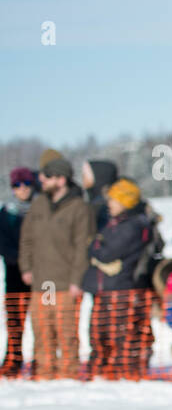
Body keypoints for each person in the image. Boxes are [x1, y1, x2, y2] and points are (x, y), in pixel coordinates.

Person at [18, 157, 95, 379]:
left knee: (66, 332)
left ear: (61, 180)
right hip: (42, 281)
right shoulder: (39, 204)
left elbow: (83, 246)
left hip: (64, 283)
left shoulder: (79, 207)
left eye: (48, 176)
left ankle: (68, 376)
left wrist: (76, 280)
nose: (42, 180)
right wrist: (26, 267)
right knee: (42, 332)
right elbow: (27, 239)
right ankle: (44, 374)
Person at [80, 179, 155, 380]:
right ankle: (101, 372)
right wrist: (96, 246)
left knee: (122, 335)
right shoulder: (115, 223)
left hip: (122, 288)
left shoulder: (133, 225)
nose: (109, 204)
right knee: (98, 334)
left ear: (125, 202)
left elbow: (105, 253)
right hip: (105, 288)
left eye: (113, 200)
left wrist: (95, 246)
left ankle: (125, 374)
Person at [1, 167, 36, 377]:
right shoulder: (7, 212)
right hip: (14, 273)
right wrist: (18, 259)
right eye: (17, 185)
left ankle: (41, 358)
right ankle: (13, 359)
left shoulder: (39, 209)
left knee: (42, 320)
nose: (21, 190)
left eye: (25, 185)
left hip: (39, 273)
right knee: (15, 320)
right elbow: (2, 242)